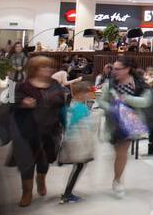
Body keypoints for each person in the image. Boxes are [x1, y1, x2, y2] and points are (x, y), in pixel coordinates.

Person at [11, 56, 66, 207]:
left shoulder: (55, 84)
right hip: (26, 130)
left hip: (50, 129)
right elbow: (8, 101)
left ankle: (41, 180)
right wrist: (21, 103)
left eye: (50, 67)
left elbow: (63, 102)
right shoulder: (20, 84)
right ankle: (26, 192)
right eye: (44, 67)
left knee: (44, 160)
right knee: (26, 162)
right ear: (34, 69)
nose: (49, 70)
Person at [97, 56, 152, 198]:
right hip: (113, 122)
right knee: (118, 153)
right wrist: (113, 109)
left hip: (130, 123)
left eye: (117, 69)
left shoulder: (139, 84)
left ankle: (117, 181)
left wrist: (126, 99)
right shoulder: (109, 84)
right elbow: (100, 101)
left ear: (127, 69)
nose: (114, 71)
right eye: (113, 68)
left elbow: (146, 101)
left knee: (122, 152)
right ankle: (118, 178)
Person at [58, 81, 98, 204]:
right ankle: (67, 194)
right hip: (79, 142)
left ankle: (68, 192)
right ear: (81, 94)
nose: (90, 96)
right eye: (88, 93)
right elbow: (88, 127)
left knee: (78, 166)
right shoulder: (81, 108)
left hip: (69, 140)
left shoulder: (68, 107)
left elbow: (64, 123)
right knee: (79, 166)